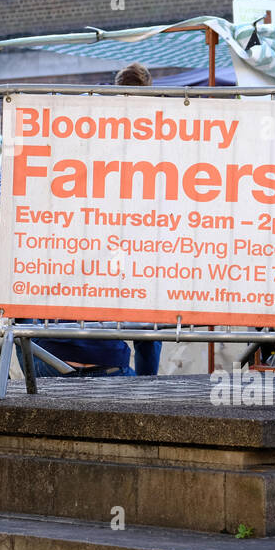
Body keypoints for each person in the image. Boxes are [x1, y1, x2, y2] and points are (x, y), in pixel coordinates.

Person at [114, 62, 161, 377]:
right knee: (148, 326)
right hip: (148, 233)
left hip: (119, 231)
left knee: (111, 321)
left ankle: (122, 379)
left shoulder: (108, 123)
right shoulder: (163, 124)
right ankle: (145, 384)